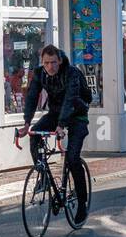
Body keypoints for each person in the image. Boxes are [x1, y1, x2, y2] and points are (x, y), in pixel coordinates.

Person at [14, 44, 89, 221]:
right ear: (42, 62)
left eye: (53, 62)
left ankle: (82, 204)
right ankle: (43, 176)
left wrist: (62, 126)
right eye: (46, 63)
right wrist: (26, 123)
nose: (50, 67)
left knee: (72, 158)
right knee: (34, 134)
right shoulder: (40, 73)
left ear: (60, 60)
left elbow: (70, 99)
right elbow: (32, 96)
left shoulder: (71, 73)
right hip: (56, 113)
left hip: (77, 114)